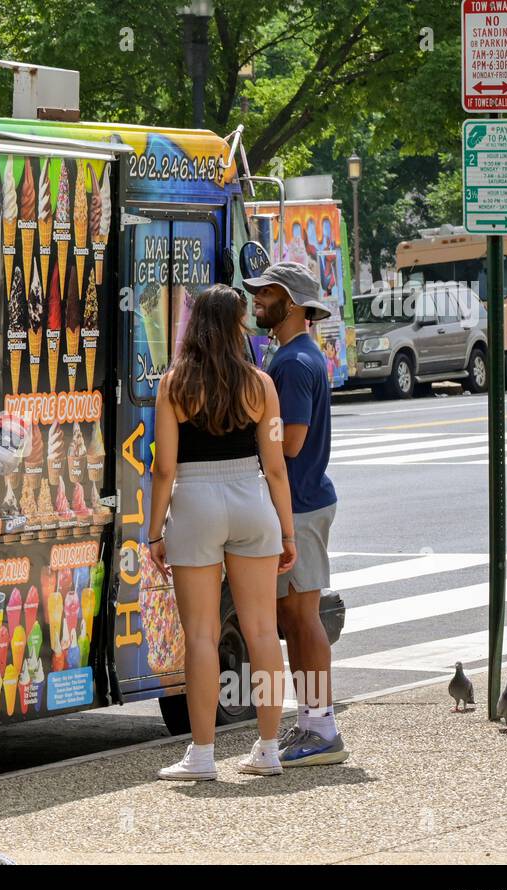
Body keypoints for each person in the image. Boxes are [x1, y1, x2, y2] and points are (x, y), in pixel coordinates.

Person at [150, 284, 297, 781]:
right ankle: (270, 747)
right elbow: (275, 468)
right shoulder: (261, 385)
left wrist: (154, 534)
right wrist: (288, 532)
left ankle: (203, 754)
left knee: (201, 635)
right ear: (237, 327)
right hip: (252, 501)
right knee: (260, 631)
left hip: (194, 503)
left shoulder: (173, 385)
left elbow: (163, 469)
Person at [244, 261, 347, 766]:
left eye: (267, 293)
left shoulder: (292, 364)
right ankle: (311, 723)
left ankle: (322, 728)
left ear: (294, 302)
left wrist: (250, 437)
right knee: (293, 616)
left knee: (303, 619)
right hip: (306, 501)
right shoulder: (298, 356)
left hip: (301, 505)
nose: (258, 300)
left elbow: (293, 440)